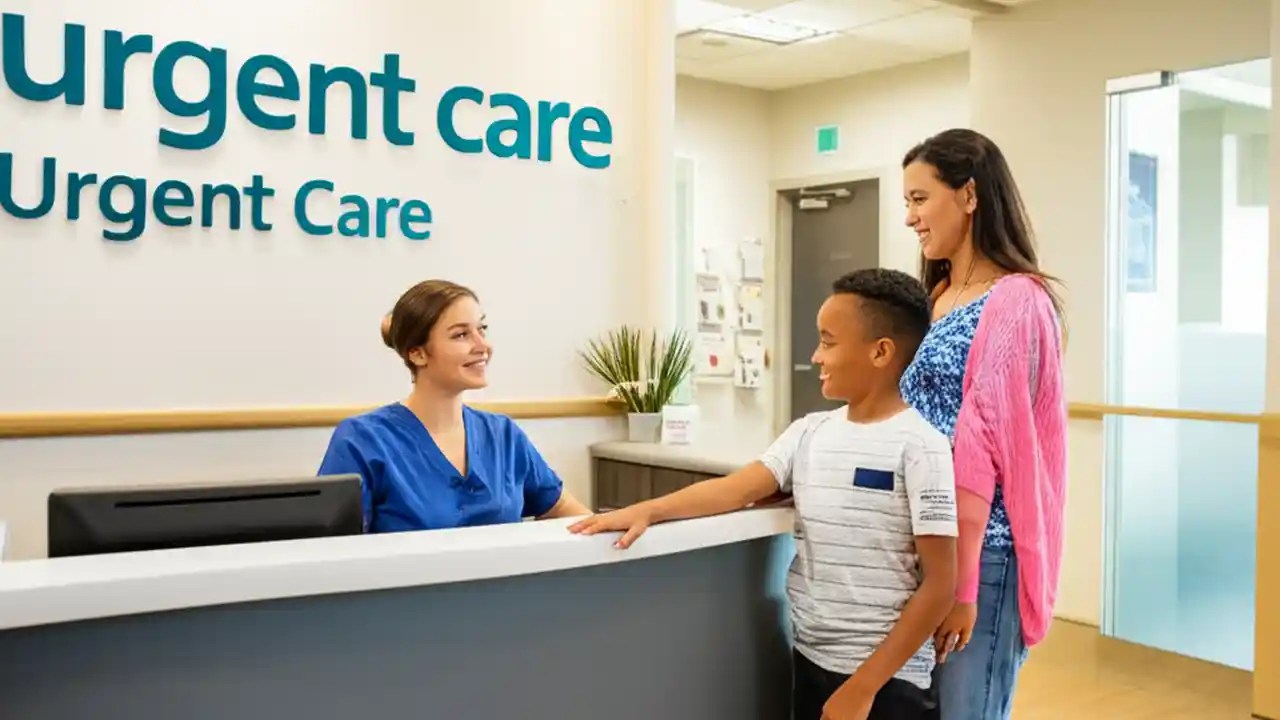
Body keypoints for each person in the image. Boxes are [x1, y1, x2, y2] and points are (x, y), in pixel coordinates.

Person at [571, 269, 958, 720]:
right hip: (812, 659)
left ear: (880, 351)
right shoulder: (807, 432)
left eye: (828, 342)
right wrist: (651, 510)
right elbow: (735, 490)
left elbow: (940, 585)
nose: (815, 356)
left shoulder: (922, 446)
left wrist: (863, 688)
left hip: (888, 682)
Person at [897, 128, 1067, 720]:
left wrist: (961, 588)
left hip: (985, 558)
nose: (912, 218)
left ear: (968, 195)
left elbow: (981, 448)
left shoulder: (1017, 299)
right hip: (931, 547)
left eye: (921, 199)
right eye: (907, 203)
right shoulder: (939, 295)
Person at [317, 279, 590, 533]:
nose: (483, 345)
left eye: (481, 329)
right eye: (461, 335)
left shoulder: (503, 435)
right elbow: (332, 550)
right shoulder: (362, 440)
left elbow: (561, 507)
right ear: (418, 353)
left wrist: (616, 531)